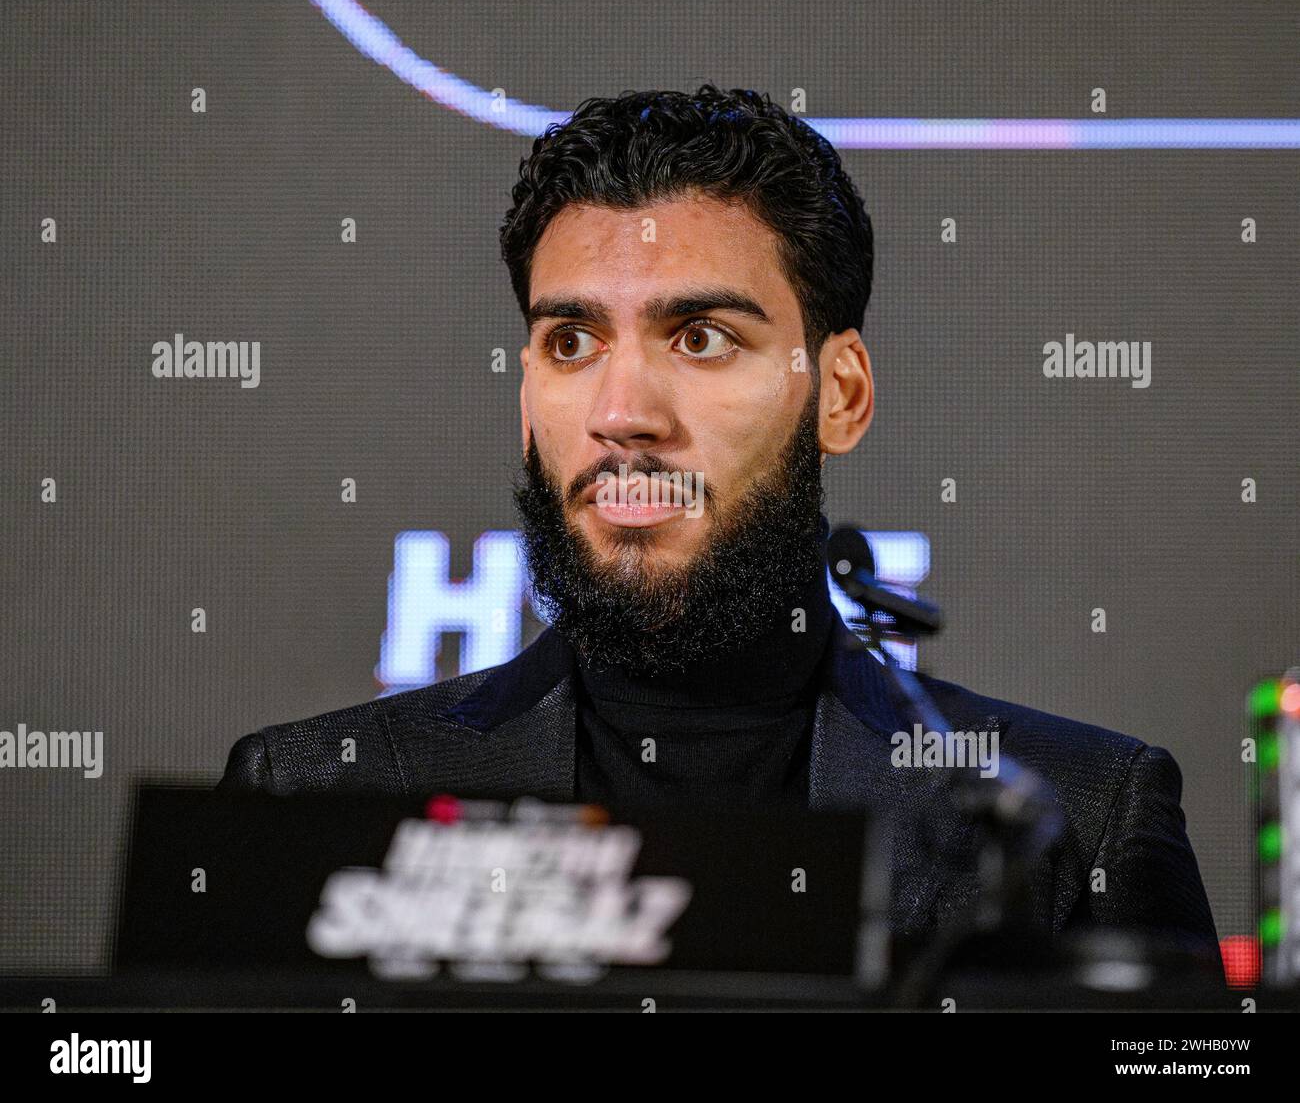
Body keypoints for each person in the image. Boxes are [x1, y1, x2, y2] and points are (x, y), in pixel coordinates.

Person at [217, 84, 1220, 966]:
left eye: (699, 338)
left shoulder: (1071, 819)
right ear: (526, 396)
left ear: (841, 392)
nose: (623, 412)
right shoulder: (303, 796)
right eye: (570, 340)